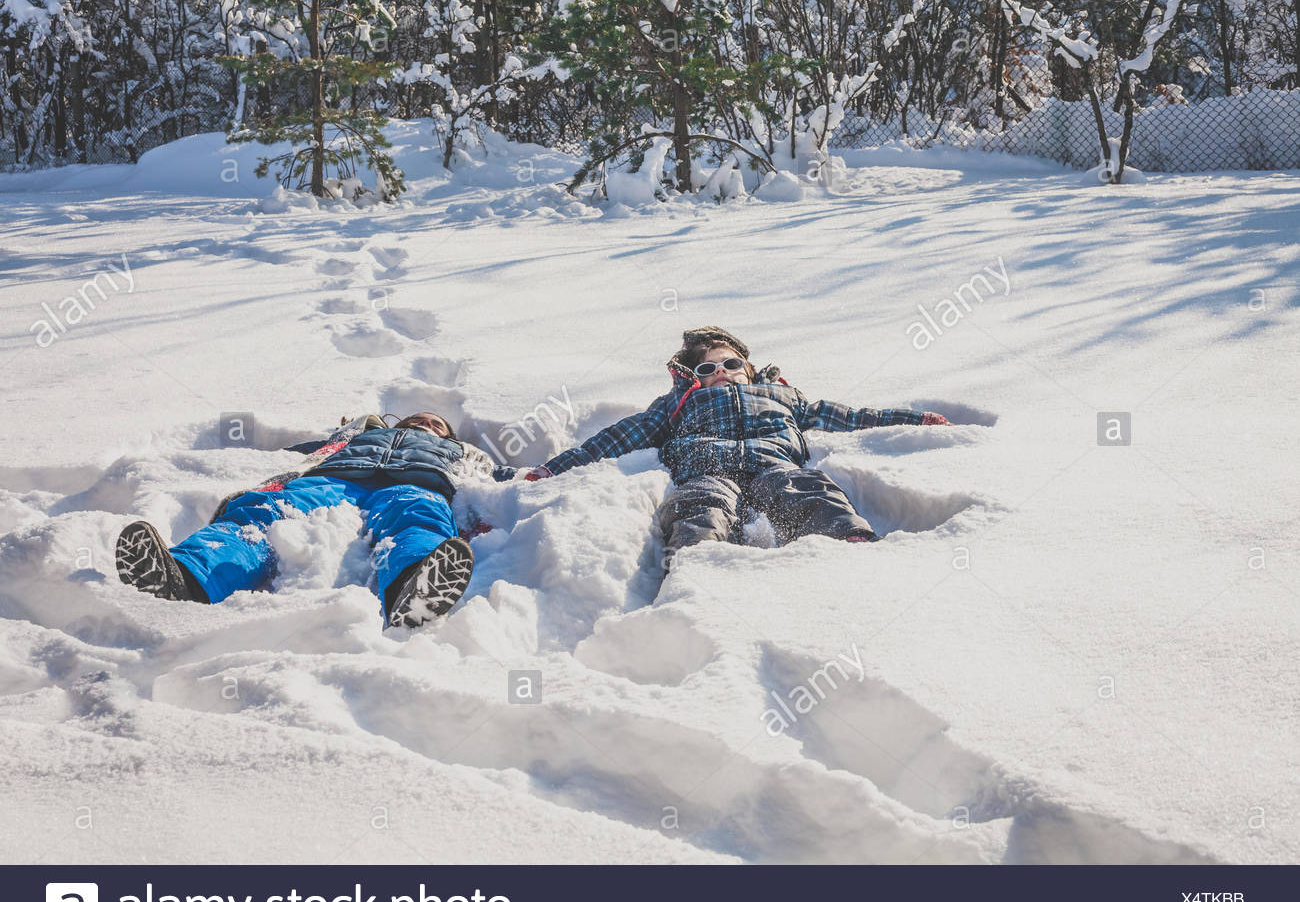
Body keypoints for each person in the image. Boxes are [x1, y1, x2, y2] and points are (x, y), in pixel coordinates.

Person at [527, 327, 952, 565]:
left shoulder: (782, 397)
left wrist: (916, 421)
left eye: (731, 364)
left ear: (747, 369)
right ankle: (696, 563)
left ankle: (851, 548)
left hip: (774, 462)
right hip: (706, 465)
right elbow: (618, 436)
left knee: (810, 490)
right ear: (695, 377)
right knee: (700, 504)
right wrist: (555, 467)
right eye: (709, 368)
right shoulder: (678, 403)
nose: (722, 372)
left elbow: (851, 416)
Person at [115, 411, 513, 626]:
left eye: (436, 424)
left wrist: (574, 460)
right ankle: (186, 576)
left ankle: (414, 589)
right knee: (264, 516)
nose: (427, 425)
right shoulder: (356, 436)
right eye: (420, 420)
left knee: (419, 521)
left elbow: (511, 479)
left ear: (445, 435)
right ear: (400, 422)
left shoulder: (463, 452)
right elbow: (287, 455)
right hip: (335, 478)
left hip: (417, 485)